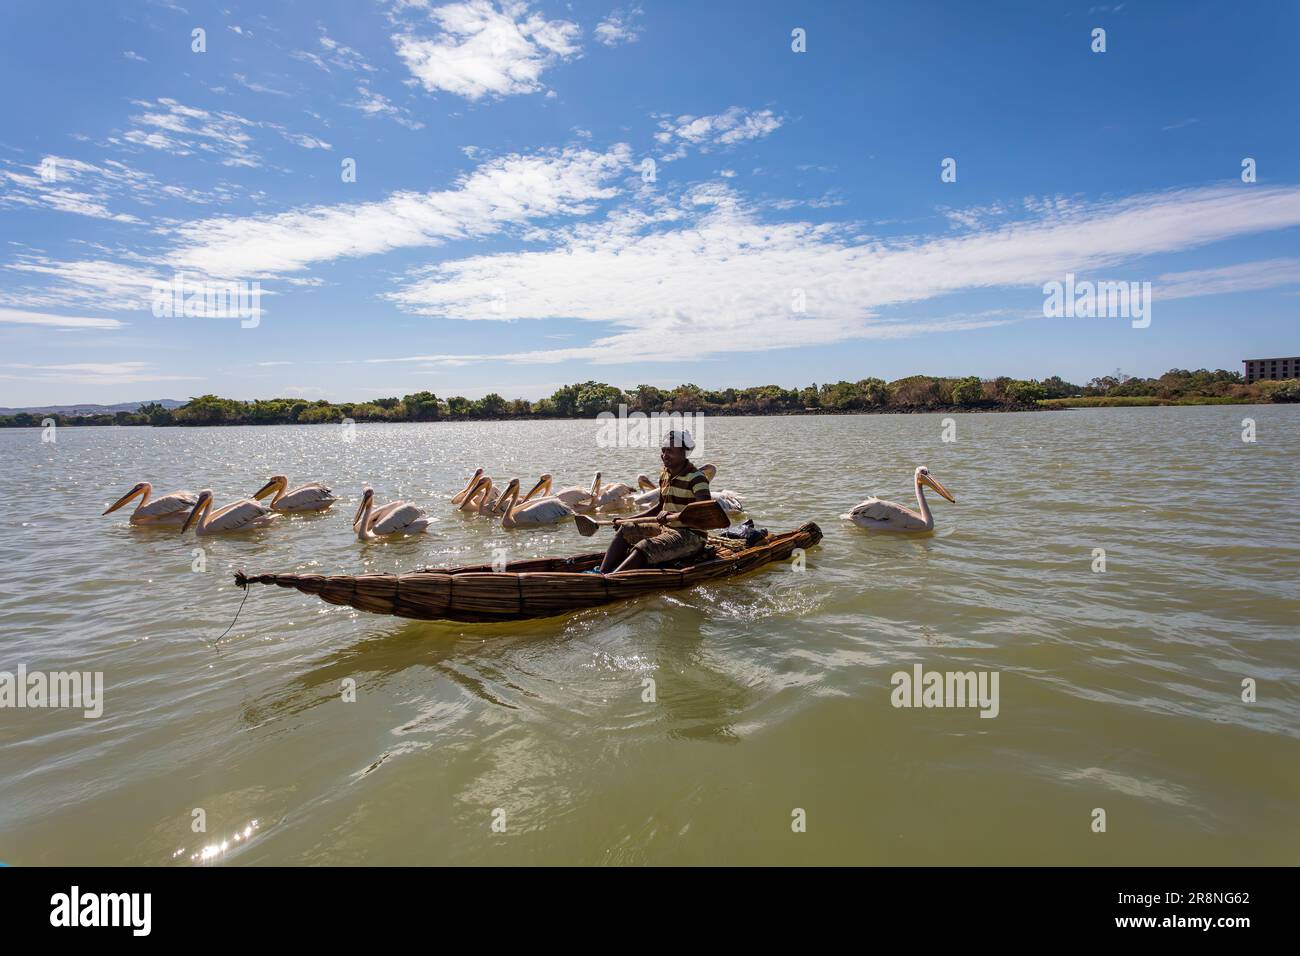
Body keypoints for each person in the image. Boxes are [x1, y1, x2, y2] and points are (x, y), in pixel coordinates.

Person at [597, 429, 711, 573]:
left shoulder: (697, 478)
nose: (664, 455)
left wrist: (671, 514)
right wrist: (628, 519)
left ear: (684, 452)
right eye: (663, 450)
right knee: (625, 529)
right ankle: (601, 574)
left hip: (692, 537)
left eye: (670, 451)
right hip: (667, 529)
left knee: (646, 547)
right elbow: (659, 507)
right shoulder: (664, 475)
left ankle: (611, 580)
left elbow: (705, 513)